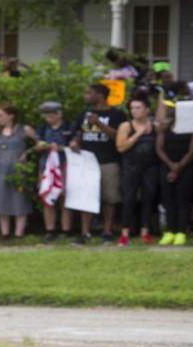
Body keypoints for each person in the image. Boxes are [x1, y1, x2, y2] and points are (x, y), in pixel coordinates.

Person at [71, 83, 127, 244]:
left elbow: (118, 137)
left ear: (100, 96)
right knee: (86, 198)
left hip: (109, 161)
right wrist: (75, 142)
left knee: (109, 198)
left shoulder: (117, 115)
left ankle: (107, 231)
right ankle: (85, 233)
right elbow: (78, 133)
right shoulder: (83, 114)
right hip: (87, 162)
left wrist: (99, 124)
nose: (85, 96)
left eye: (89, 93)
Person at [116, 97, 160, 246]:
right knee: (129, 199)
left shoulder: (155, 126)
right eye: (132, 108)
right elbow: (121, 147)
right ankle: (124, 233)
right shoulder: (126, 126)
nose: (134, 111)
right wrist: (138, 133)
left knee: (148, 198)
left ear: (147, 109)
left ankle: (145, 232)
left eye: (138, 107)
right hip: (131, 166)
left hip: (150, 167)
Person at [156, 104, 193, 246]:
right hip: (167, 167)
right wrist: (171, 166)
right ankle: (169, 231)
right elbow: (159, 148)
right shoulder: (165, 128)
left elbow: (192, 151)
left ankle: (181, 232)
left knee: (183, 200)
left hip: (186, 167)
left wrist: (178, 168)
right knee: (168, 200)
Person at [0, 103, 35, 240]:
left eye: (0, 115)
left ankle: (19, 232)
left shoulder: (24, 129)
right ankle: (5, 232)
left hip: (17, 170)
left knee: (19, 198)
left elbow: (40, 143)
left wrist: (28, 152)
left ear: (11, 116)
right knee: (0, 198)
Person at [33, 101, 75, 243]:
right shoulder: (43, 128)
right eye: (46, 116)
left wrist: (61, 148)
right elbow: (37, 145)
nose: (48, 119)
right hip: (46, 166)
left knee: (65, 197)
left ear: (59, 114)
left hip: (65, 165)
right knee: (48, 198)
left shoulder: (69, 127)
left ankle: (66, 229)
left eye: (51, 115)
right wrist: (42, 146)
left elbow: (74, 146)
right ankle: (50, 230)